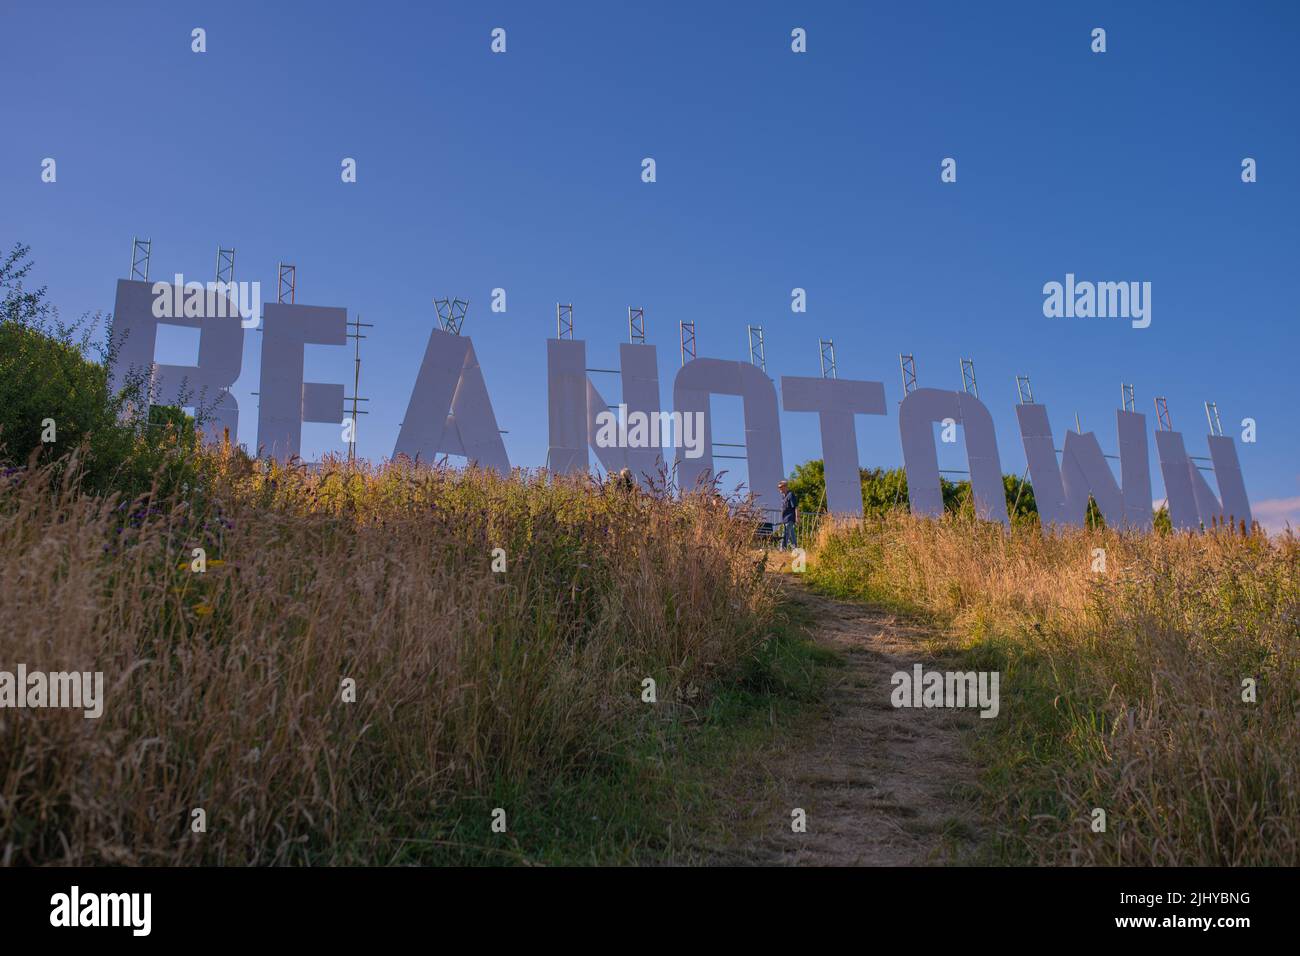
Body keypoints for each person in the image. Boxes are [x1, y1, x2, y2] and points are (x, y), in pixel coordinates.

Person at [778, 480, 799, 549]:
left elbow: (795, 507)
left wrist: (797, 517)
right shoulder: (783, 497)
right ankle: (795, 548)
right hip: (785, 519)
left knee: (785, 533)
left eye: (781, 487)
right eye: (779, 487)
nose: (779, 489)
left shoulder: (790, 495)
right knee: (791, 535)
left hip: (790, 518)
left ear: (785, 487)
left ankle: (782, 549)